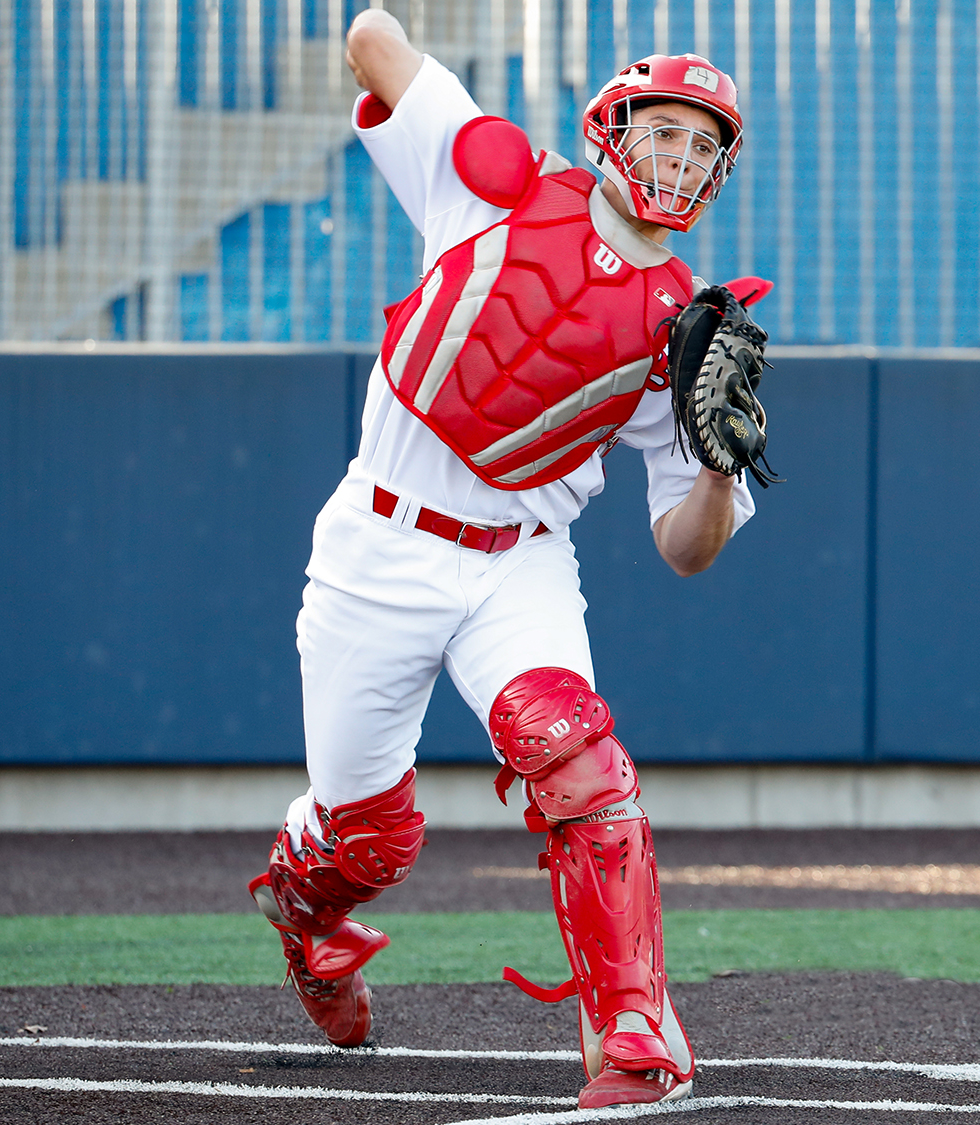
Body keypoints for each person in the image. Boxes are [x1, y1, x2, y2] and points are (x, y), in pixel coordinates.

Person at [243, 7, 769, 1110]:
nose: (676, 157)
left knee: (575, 756)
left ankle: (634, 1032)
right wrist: (455, 112)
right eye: (660, 131)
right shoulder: (490, 178)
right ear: (609, 130)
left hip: (517, 561)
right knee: (368, 842)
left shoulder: (693, 333)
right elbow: (370, 36)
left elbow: (685, 551)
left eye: (699, 144)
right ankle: (306, 908)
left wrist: (717, 468)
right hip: (378, 543)